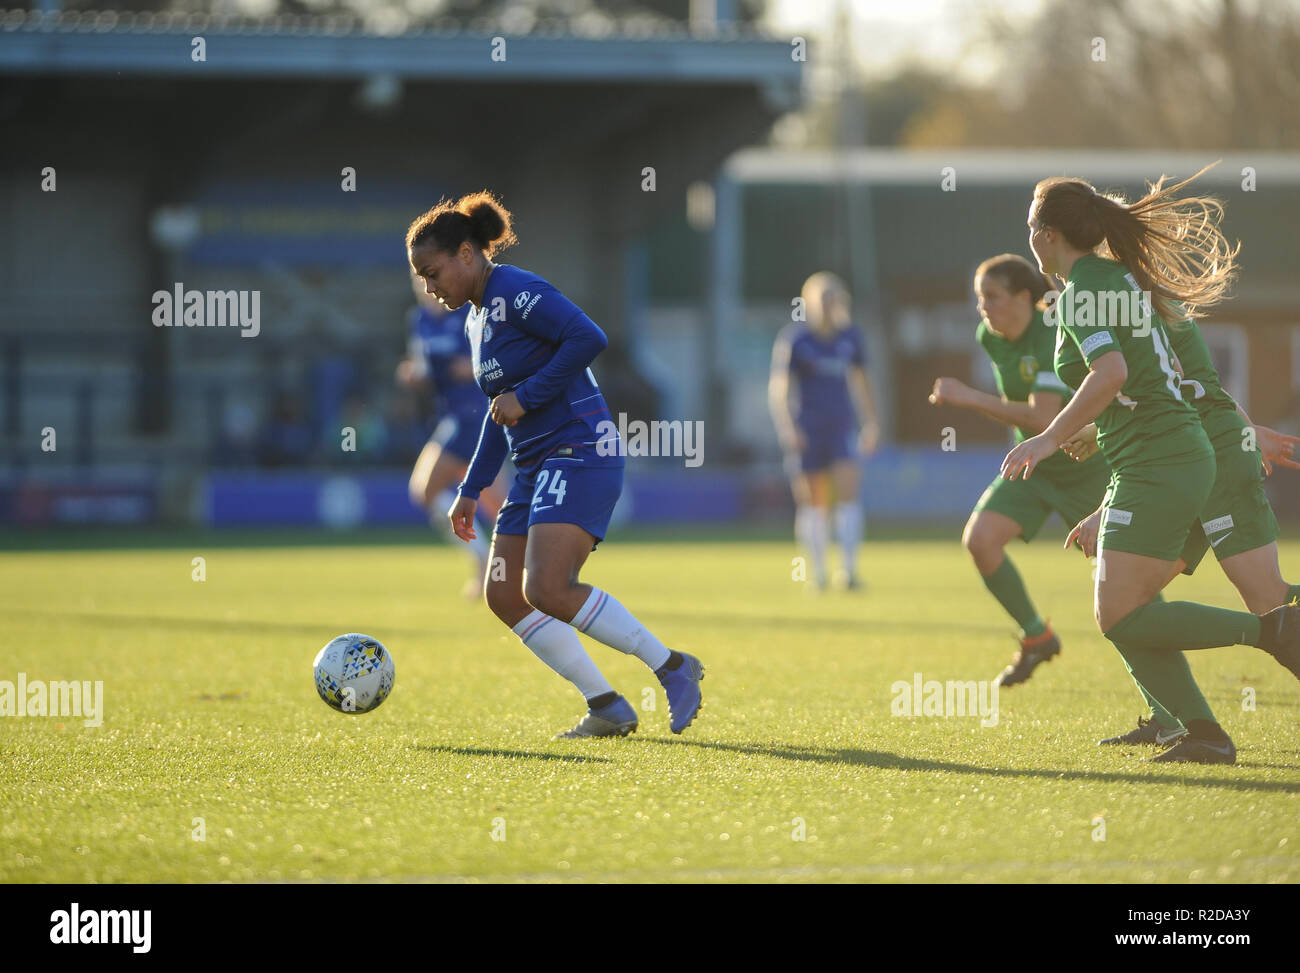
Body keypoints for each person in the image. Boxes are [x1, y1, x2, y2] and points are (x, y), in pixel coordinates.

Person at [1001, 164, 1300, 764]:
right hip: (1176, 452)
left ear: (1046, 233)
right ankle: (1190, 726)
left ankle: (1230, 687)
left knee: (1219, 605)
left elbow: (1125, 379)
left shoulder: (1089, 288)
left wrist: (1052, 438)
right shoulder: (1117, 281)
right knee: (1128, 601)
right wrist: (1095, 442)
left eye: (1030, 225)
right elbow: (1156, 386)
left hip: (1177, 456)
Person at [406, 190, 704, 738]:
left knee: (547, 587)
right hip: (534, 465)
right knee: (502, 593)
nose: (429, 287)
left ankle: (673, 667)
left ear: (468, 254)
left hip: (581, 450)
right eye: (422, 278)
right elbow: (502, 413)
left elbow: (588, 336)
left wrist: (531, 394)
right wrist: (471, 489)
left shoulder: (516, 290)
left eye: (433, 271)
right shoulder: (474, 322)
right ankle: (607, 705)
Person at [1061, 307, 1300, 747]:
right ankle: (1178, 719)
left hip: (1208, 462)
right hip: (1189, 463)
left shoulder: (1121, 305)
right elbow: (1187, 392)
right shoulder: (1126, 305)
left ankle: (1189, 724)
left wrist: (1242, 434)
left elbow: (1180, 398)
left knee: (1272, 603)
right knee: (1125, 606)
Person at [929, 254, 1111, 687]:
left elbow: (1041, 418)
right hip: (1034, 466)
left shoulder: (1051, 333)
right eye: (979, 299)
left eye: (992, 297)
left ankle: (1169, 677)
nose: (983, 308)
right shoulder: (990, 337)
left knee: (1125, 581)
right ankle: (1037, 637)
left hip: (1085, 468)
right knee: (981, 540)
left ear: (1025, 298)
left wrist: (969, 397)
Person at [768, 272, 880, 590]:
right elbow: (780, 389)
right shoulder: (796, 340)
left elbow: (862, 384)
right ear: (809, 303)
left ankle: (849, 572)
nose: (830, 304)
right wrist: (788, 427)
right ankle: (816, 574)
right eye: (823, 298)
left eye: (834, 297)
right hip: (808, 430)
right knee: (813, 502)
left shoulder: (851, 338)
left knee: (848, 496)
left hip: (841, 426)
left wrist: (871, 422)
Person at [396, 275, 505, 598]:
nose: (424, 287)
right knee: (495, 503)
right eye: (417, 279)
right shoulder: (419, 319)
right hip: (448, 413)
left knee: (426, 490)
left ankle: (490, 563)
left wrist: (468, 367)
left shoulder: (465, 314)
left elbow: (487, 361)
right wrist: (415, 373)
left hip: (471, 415)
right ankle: (511, 568)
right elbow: (425, 364)